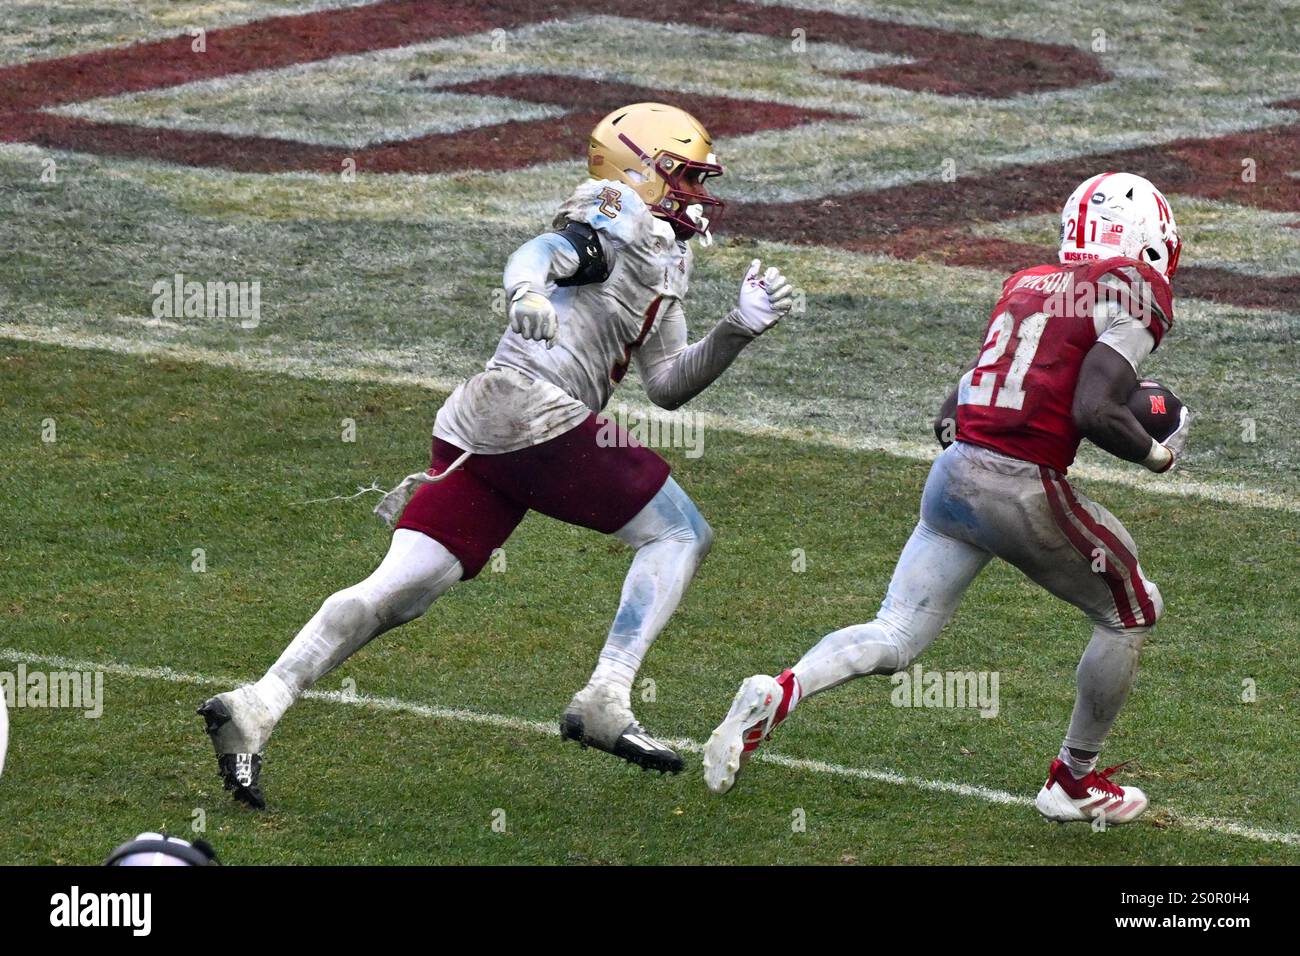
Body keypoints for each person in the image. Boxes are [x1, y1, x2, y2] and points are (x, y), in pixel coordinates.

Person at [199, 103, 797, 808]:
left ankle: (256, 705)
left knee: (402, 588)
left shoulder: (667, 251)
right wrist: (527, 291)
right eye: (683, 174)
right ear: (638, 167)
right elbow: (550, 251)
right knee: (680, 532)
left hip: (490, 416)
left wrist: (738, 329)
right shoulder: (615, 208)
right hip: (533, 408)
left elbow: (667, 384)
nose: (695, 191)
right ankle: (605, 696)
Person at [705, 172, 1188, 826]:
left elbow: (956, 401)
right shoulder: (1135, 287)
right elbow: (1096, 408)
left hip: (954, 474)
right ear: (1149, 239)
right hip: (1019, 488)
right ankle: (1072, 780)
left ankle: (780, 691)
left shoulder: (1027, 283)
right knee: (1132, 611)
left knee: (896, 633)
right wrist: (1156, 452)